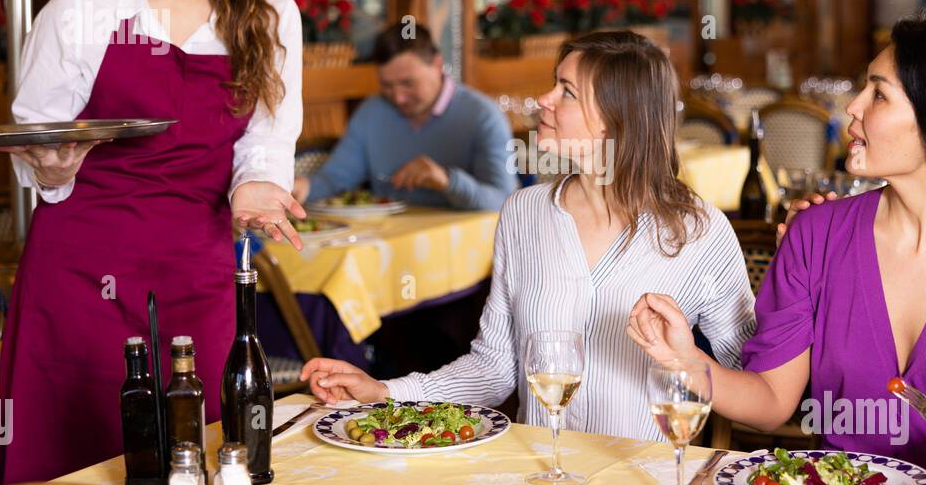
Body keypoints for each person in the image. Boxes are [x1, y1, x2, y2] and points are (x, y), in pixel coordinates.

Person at [629, 12, 926, 485]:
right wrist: (688, 361)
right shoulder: (816, 234)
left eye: (879, 94)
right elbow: (769, 402)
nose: (852, 106)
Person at [0, 0, 304, 483]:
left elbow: (268, 138)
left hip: (199, 267)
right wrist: (49, 166)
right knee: (81, 457)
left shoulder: (272, 13)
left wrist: (256, 185)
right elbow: (37, 129)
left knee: (201, 450)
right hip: (82, 271)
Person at [299, 31, 755, 441]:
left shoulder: (699, 231)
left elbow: (753, 386)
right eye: (553, 83)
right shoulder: (525, 213)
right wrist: (385, 391)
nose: (543, 99)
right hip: (539, 475)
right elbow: (494, 369)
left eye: (567, 92)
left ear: (615, 118)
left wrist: (689, 361)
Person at [292, 22, 516, 211]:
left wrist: (446, 180)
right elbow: (336, 178)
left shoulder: (483, 117)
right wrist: (304, 187)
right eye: (387, 86)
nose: (398, 98)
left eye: (408, 83)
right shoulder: (371, 112)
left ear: (437, 65)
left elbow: (504, 202)